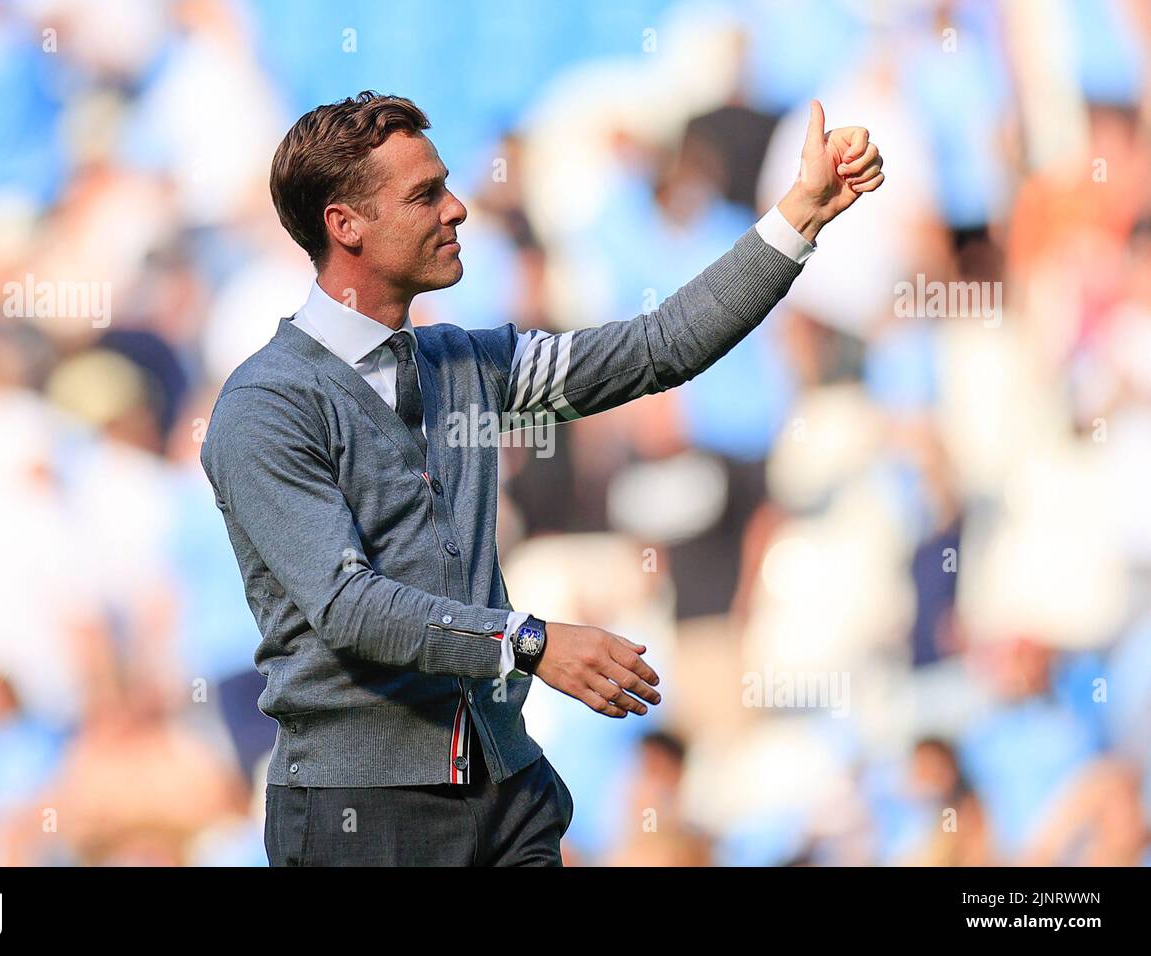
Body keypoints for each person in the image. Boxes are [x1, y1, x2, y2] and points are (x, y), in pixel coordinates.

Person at [200, 90, 884, 866]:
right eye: (425, 194)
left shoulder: (466, 361)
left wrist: (798, 219)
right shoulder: (266, 406)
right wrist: (527, 642)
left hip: (507, 790)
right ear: (344, 225)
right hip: (365, 817)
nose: (458, 208)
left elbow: (659, 348)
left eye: (447, 184)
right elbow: (349, 608)